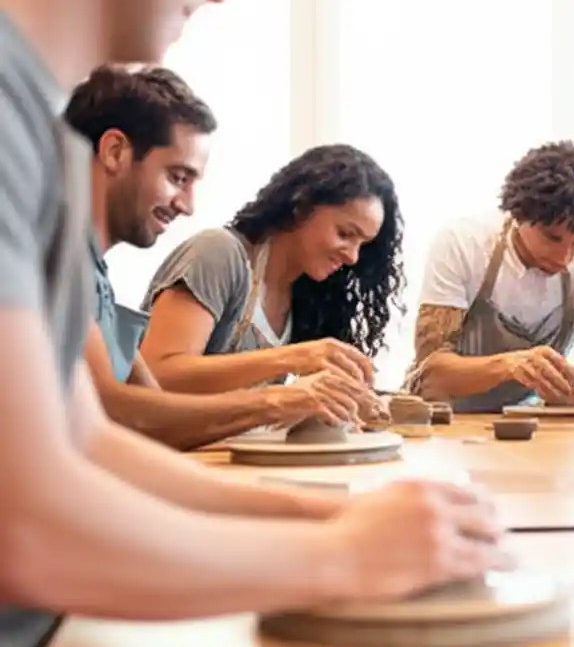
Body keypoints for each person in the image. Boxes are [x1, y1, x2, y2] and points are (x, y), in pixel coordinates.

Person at [0, 0, 504, 647]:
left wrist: (326, 517)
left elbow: (93, 442)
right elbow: (26, 531)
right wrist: (347, 555)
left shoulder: (40, 138)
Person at [64, 65, 368, 450]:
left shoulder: (93, 277)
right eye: (177, 177)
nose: (188, 206)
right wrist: (277, 398)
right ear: (115, 152)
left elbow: (157, 417)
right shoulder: (48, 258)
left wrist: (297, 406)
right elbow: (118, 415)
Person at [140, 143, 404, 393]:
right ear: (301, 207)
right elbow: (157, 375)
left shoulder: (307, 295)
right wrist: (291, 358)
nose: (353, 257)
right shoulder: (219, 254)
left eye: (363, 245)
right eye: (345, 234)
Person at [403, 141, 574, 412]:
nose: (564, 257)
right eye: (551, 237)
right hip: (443, 420)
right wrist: (509, 365)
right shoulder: (463, 243)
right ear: (518, 215)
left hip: (527, 421)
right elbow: (430, 375)